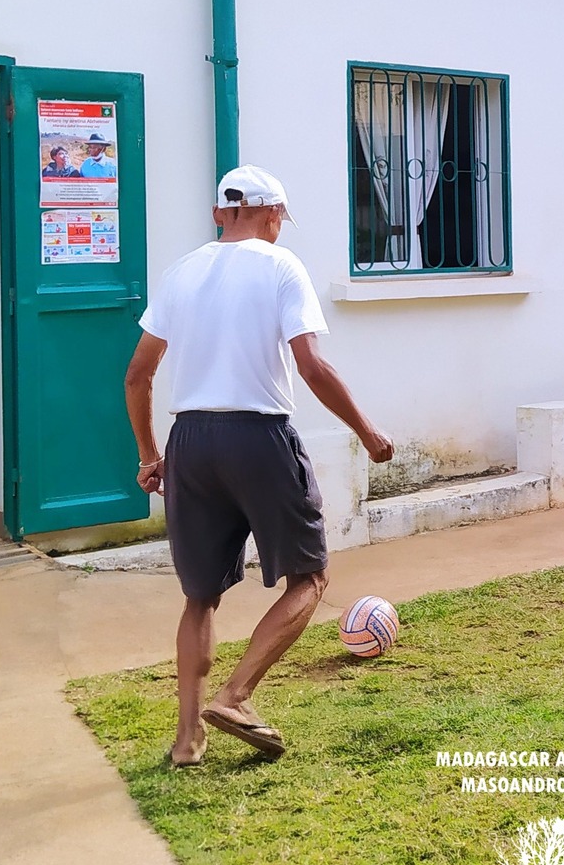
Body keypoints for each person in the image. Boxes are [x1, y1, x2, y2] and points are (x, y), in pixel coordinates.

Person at [123, 165, 393, 766]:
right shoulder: (281, 267)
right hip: (258, 437)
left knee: (199, 598)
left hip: (189, 441)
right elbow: (311, 366)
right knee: (311, 577)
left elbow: (138, 374)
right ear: (271, 214)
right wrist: (368, 433)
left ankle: (188, 740)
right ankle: (236, 696)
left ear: (223, 213)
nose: (279, 229)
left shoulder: (180, 273)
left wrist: (151, 456)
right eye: (279, 219)